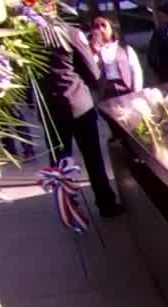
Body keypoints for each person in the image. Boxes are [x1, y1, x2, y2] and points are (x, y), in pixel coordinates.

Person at [38, 22, 122, 217]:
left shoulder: (30, 38)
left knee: (60, 160)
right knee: (93, 157)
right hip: (78, 104)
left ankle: (67, 206)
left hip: (50, 107)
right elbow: (92, 72)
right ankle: (106, 203)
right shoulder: (71, 33)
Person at [90, 16, 143, 100]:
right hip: (105, 92)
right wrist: (94, 50)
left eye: (104, 25)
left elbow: (136, 71)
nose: (101, 29)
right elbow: (90, 71)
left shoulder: (124, 47)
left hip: (125, 88)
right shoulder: (90, 51)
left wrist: (136, 92)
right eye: (96, 26)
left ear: (111, 28)